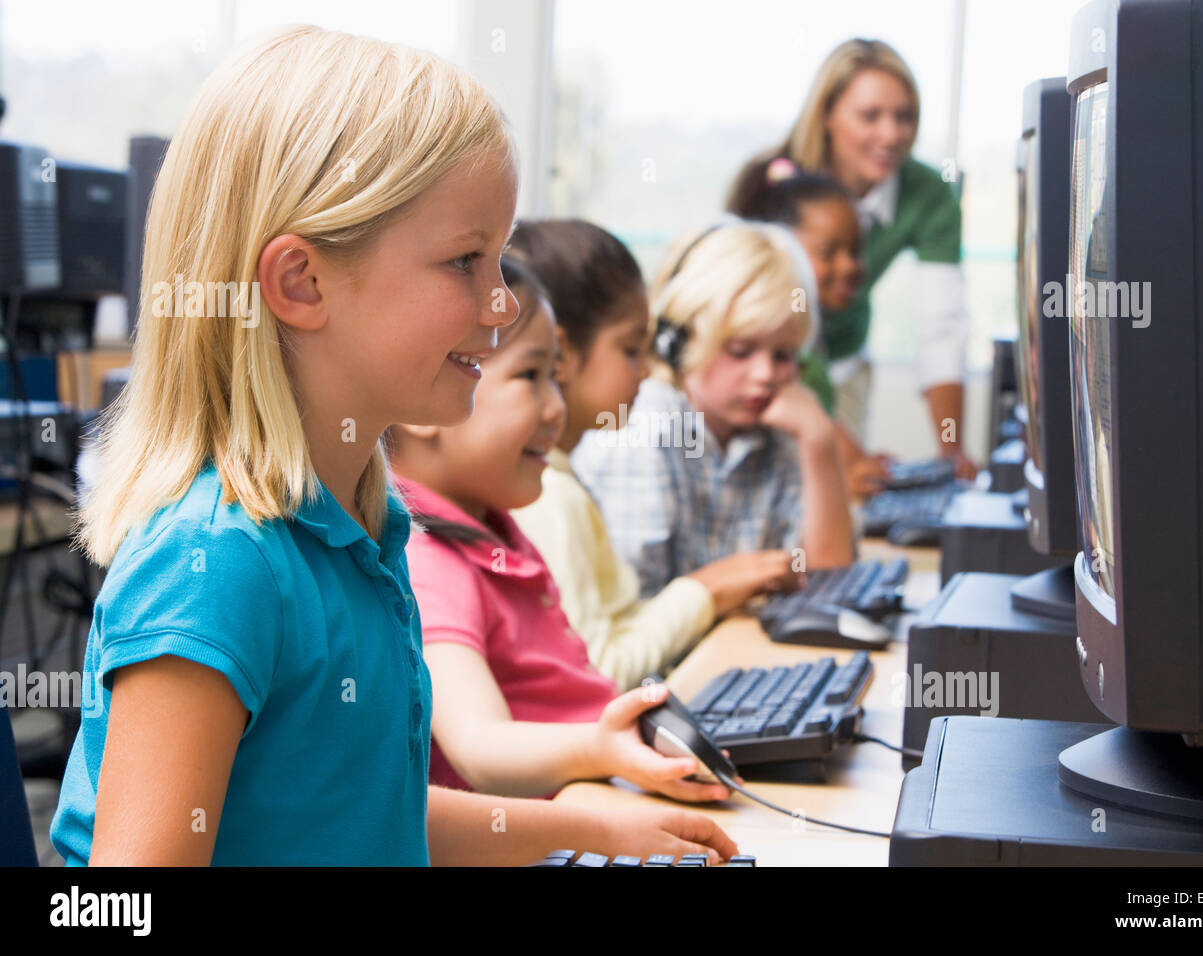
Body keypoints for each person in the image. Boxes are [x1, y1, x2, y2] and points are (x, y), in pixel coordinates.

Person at [50, 26, 736, 866]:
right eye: (465, 262)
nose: (498, 307)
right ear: (302, 283)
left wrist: (596, 827)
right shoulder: (214, 564)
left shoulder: (362, 530)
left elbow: (364, 814)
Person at [389, 256, 735, 802]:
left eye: (555, 376)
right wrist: (604, 748)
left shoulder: (493, 531)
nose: (556, 406)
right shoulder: (427, 560)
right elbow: (480, 747)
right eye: (530, 376)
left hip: (597, 799)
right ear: (421, 403)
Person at [507, 219, 800, 690]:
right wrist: (706, 590)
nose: (646, 370)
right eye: (629, 349)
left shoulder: (557, 478)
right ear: (559, 357)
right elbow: (598, 676)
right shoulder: (549, 494)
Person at [727, 38, 976, 479]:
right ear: (827, 115)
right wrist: (842, 452)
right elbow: (743, 323)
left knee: (848, 489)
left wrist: (950, 455)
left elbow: (942, 325)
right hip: (772, 362)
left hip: (843, 357)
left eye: (904, 117)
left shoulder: (927, 193)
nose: (891, 134)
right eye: (870, 116)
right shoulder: (771, 184)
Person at [572, 220, 856, 598]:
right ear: (677, 342)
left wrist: (819, 443)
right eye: (740, 351)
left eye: (783, 355)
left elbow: (828, 589)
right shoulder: (641, 435)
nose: (765, 374)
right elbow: (634, 620)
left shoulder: (779, 431)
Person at [732, 167, 895, 496]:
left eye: (855, 250)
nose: (849, 266)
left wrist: (857, 464)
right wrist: (834, 482)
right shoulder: (763, 359)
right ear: (778, 247)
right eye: (828, 251)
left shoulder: (810, 340)